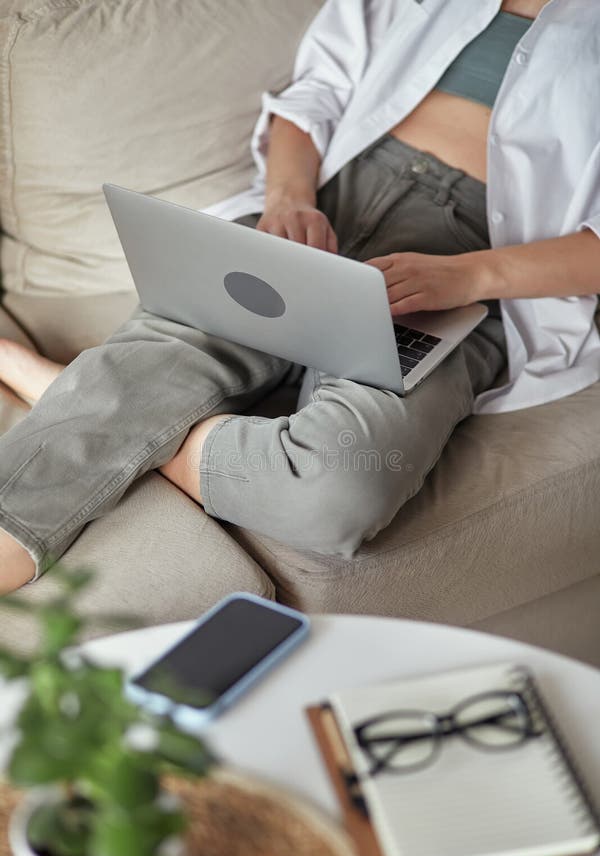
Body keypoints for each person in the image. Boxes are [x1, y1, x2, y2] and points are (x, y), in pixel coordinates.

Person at [0, 0, 599, 592]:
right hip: (327, 204)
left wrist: (471, 277)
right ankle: (107, 407)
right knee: (167, 355)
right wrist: (289, 198)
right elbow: (314, 94)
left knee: (332, 490)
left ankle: (80, 394)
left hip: (483, 256)